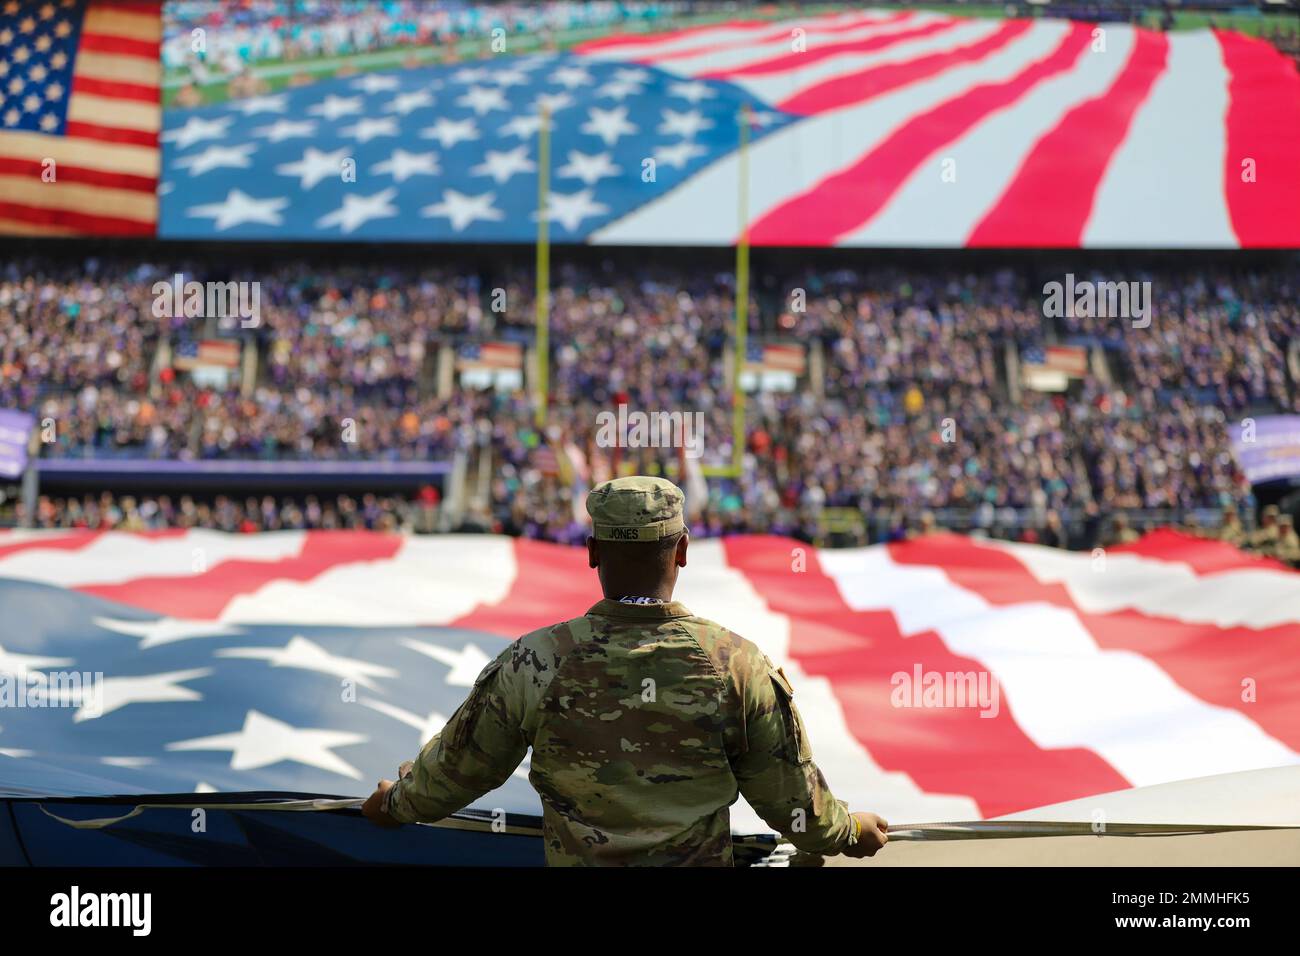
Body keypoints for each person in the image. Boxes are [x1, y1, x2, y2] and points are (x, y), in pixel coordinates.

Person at [361, 476, 889, 866]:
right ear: (682, 551)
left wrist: (397, 801)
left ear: (592, 553)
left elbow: (457, 773)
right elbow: (794, 805)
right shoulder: (738, 666)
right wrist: (846, 831)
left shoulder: (535, 661)